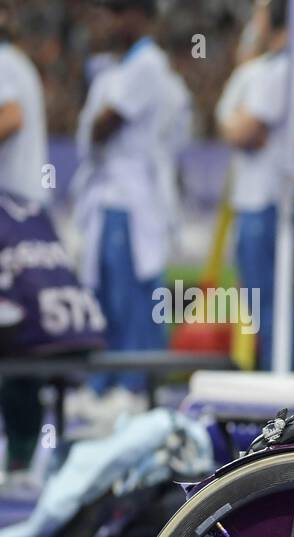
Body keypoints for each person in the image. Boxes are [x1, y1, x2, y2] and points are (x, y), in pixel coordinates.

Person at [220, 0, 294, 369]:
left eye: (257, 17)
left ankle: (279, 372)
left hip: (265, 200)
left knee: (268, 301)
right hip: (276, 197)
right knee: (280, 299)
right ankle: (285, 369)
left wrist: (235, 120)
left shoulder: (277, 70)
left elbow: (244, 132)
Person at [72, 0, 171, 397]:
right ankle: (106, 387)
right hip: (111, 197)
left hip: (129, 201)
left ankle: (131, 391)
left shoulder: (147, 63)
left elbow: (101, 126)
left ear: (142, 18)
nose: (113, 22)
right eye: (110, 13)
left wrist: (97, 115)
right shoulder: (117, 67)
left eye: (121, 12)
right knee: (108, 301)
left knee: (130, 300)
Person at [0, 0, 50, 499]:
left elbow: (8, 116)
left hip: (10, 220)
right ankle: (19, 453)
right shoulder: (16, 61)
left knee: (12, 334)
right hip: (20, 217)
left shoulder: (4, 62)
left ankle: (20, 454)